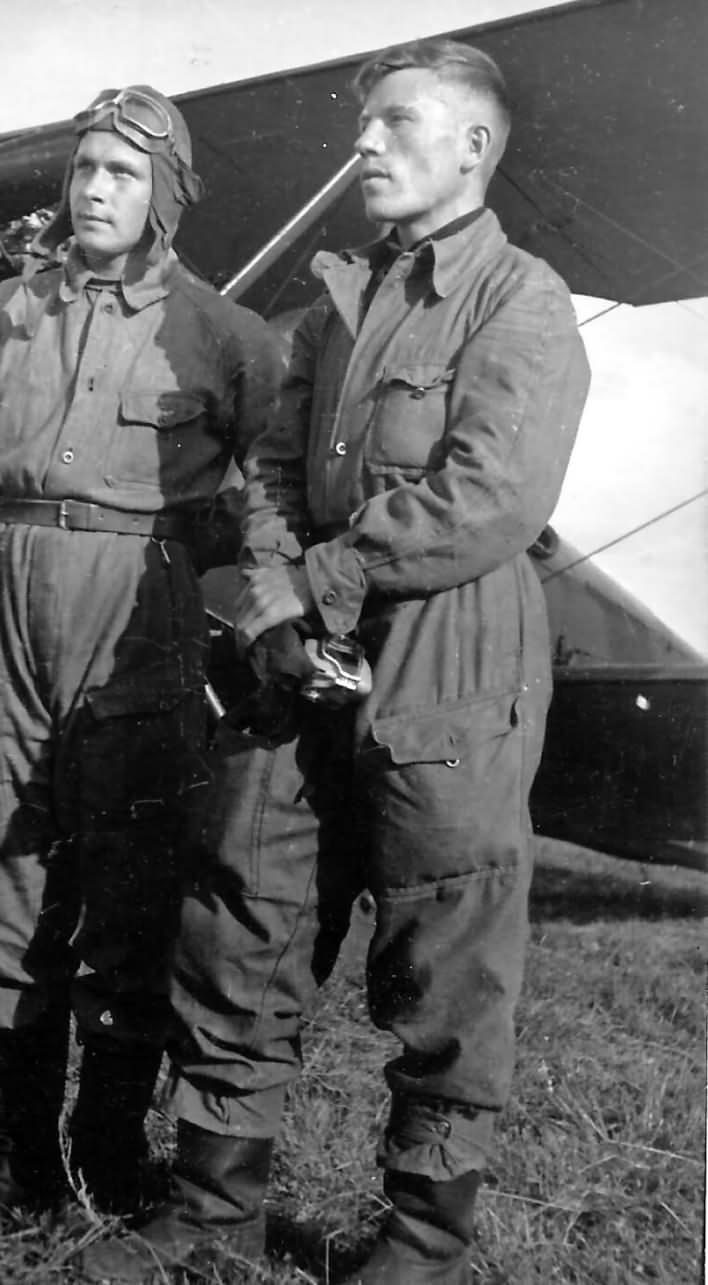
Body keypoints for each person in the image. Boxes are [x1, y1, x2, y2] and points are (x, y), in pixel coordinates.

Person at [81, 37, 591, 1285]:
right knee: (241, 913)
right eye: (363, 123)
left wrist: (312, 583)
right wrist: (273, 597)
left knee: (443, 954)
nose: (362, 145)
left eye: (393, 123)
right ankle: (213, 1213)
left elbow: (486, 495)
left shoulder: (523, 299)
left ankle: (420, 1241)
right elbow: (265, 467)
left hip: (449, 657)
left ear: (471, 145)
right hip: (296, 656)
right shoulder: (336, 299)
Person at [0, 84, 281, 1220]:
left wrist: (189, 549)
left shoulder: (221, 333)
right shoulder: (7, 311)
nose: (96, 188)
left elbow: (275, 490)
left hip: (138, 619)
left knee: (130, 895)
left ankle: (110, 1154)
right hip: (6, 609)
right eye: (84, 168)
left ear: (164, 194)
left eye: (122, 172)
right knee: (3, 887)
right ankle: (20, 1164)